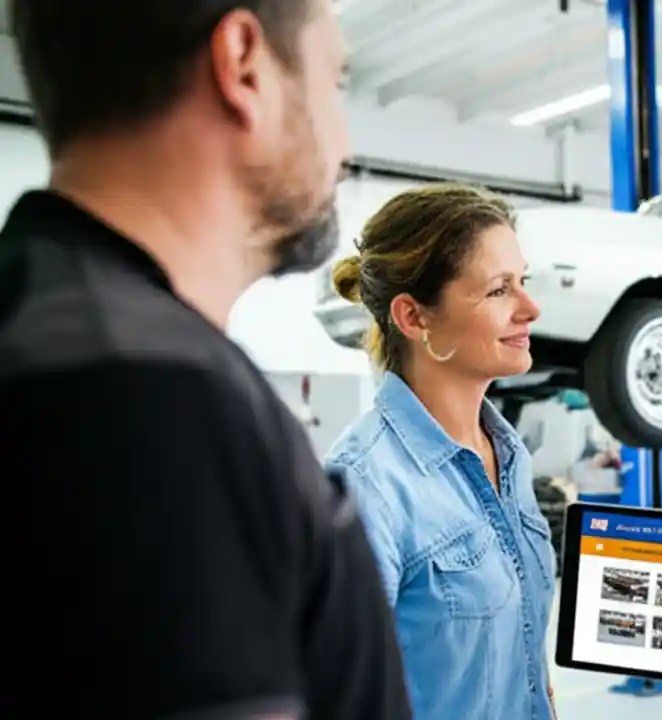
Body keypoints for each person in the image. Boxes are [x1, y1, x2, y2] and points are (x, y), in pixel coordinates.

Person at [3, 1, 410, 718]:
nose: (344, 145)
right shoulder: (149, 404)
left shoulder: (57, 331)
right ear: (244, 65)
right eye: (334, 82)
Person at [324, 184, 558, 720]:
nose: (531, 307)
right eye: (500, 290)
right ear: (415, 318)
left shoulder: (508, 454)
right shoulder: (366, 484)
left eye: (524, 282)